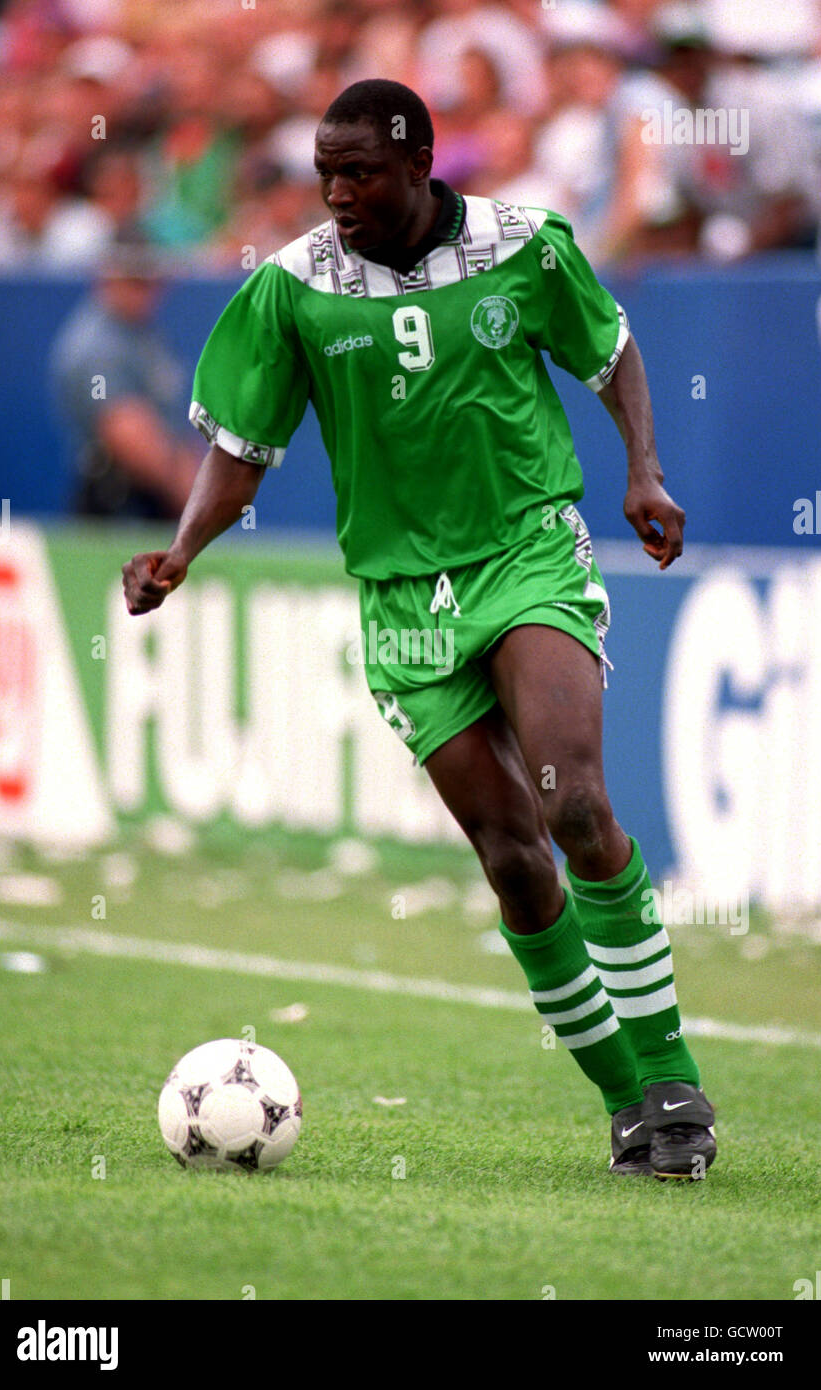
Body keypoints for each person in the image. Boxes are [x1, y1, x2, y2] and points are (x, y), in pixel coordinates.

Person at [122, 78, 716, 1180]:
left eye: (359, 173)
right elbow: (241, 446)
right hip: (401, 598)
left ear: (418, 163)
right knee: (511, 855)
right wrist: (183, 550)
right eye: (324, 174)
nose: (337, 194)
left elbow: (608, 352)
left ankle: (672, 1073)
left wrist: (640, 469)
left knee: (573, 801)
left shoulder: (521, 245)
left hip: (524, 548)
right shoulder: (293, 288)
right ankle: (629, 1101)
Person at [51, 241, 199, 519]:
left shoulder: (142, 333)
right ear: (108, 279)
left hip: (154, 502)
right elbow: (131, 440)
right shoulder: (97, 347)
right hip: (121, 506)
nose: (146, 293)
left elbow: (174, 420)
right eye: (135, 282)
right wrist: (195, 503)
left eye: (150, 283)